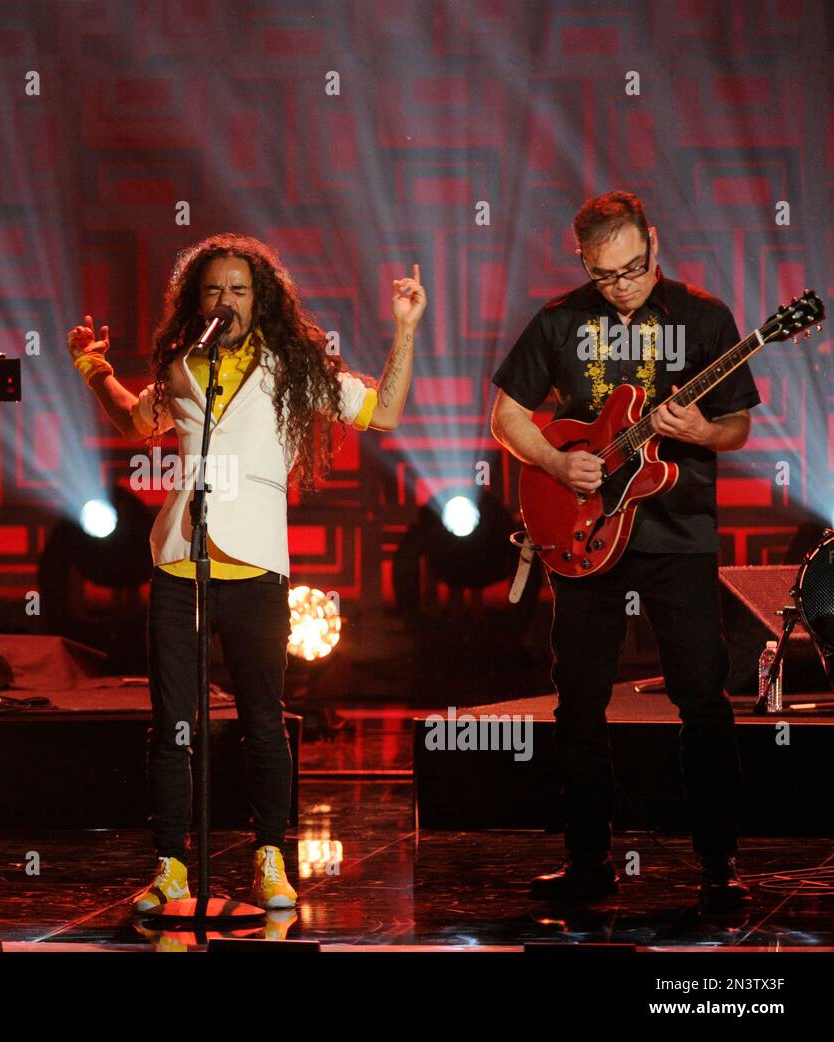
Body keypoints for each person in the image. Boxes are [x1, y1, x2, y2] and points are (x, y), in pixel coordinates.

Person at [68, 233, 424, 910]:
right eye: (213, 290)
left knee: (263, 719)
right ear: (195, 302)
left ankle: (268, 857)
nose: (225, 301)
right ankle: (171, 863)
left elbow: (387, 412)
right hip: (180, 562)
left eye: (238, 290)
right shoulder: (181, 363)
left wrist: (405, 331)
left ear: (261, 300)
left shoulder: (293, 368)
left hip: (257, 566)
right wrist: (92, 365)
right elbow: (133, 421)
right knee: (173, 723)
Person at [490, 190, 759, 910]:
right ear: (583, 263)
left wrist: (700, 433)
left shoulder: (705, 319)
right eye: (607, 275)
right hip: (585, 531)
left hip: (678, 535)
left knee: (702, 696)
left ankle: (718, 863)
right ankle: (588, 862)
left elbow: (736, 426)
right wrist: (552, 461)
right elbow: (507, 414)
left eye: (635, 268)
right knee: (578, 701)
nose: (624, 286)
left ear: (655, 242)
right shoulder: (559, 321)